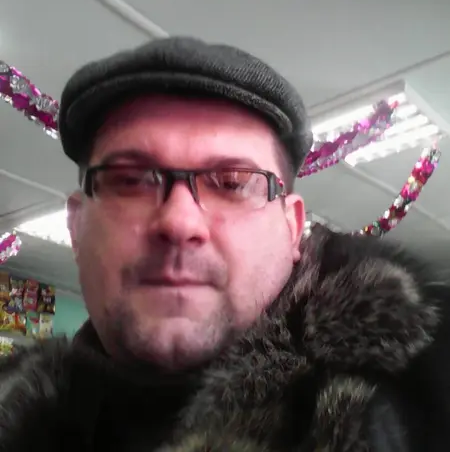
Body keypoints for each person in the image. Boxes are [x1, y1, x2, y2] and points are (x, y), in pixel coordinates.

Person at [1, 36, 449, 451]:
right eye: (131, 180)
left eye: (233, 182)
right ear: (76, 225)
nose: (179, 222)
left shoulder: (430, 387)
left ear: (293, 229)